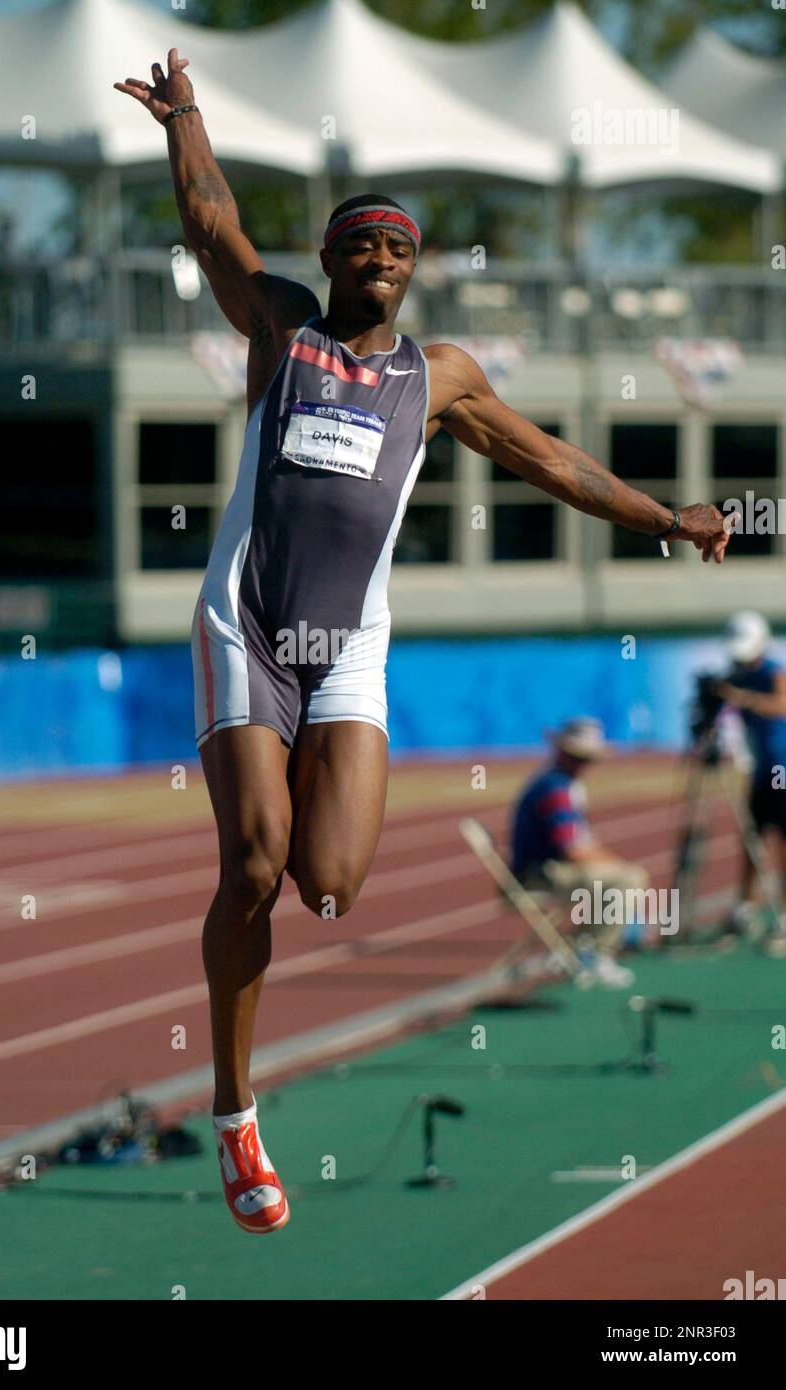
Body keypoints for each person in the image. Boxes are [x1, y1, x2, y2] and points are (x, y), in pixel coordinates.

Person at [116, 52, 733, 1234]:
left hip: (346, 648)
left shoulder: (438, 375)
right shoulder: (283, 329)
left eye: (397, 249)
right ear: (332, 260)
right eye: (359, 244)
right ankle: (237, 1113)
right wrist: (185, 117)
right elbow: (209, 222)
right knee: (252, 864)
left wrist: (667, 518)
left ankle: (295, 795)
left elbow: (550, 462)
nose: (378, 261)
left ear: (413, 270)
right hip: (245, 619)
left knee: (328, 885)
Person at [511, 718, 651, 987]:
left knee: (625, 876)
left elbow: (582, 843)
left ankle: (580, 947)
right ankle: (597, 955)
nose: (584, 765)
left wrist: (616, 864)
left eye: (588, 759)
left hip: (549, 867)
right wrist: (620, 868)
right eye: (578, 758)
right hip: (541, 873)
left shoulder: (561, 783)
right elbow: (572, 849)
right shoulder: (555, 789)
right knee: (626, 881)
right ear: (562, 753)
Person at [715, 611, 786, 957]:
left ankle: (784, 917)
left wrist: (743, 699)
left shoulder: (773, 671)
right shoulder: (739, 674)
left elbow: (782, 704)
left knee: (783, 844)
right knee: (751, 838)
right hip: (761, 771)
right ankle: (745, 906)